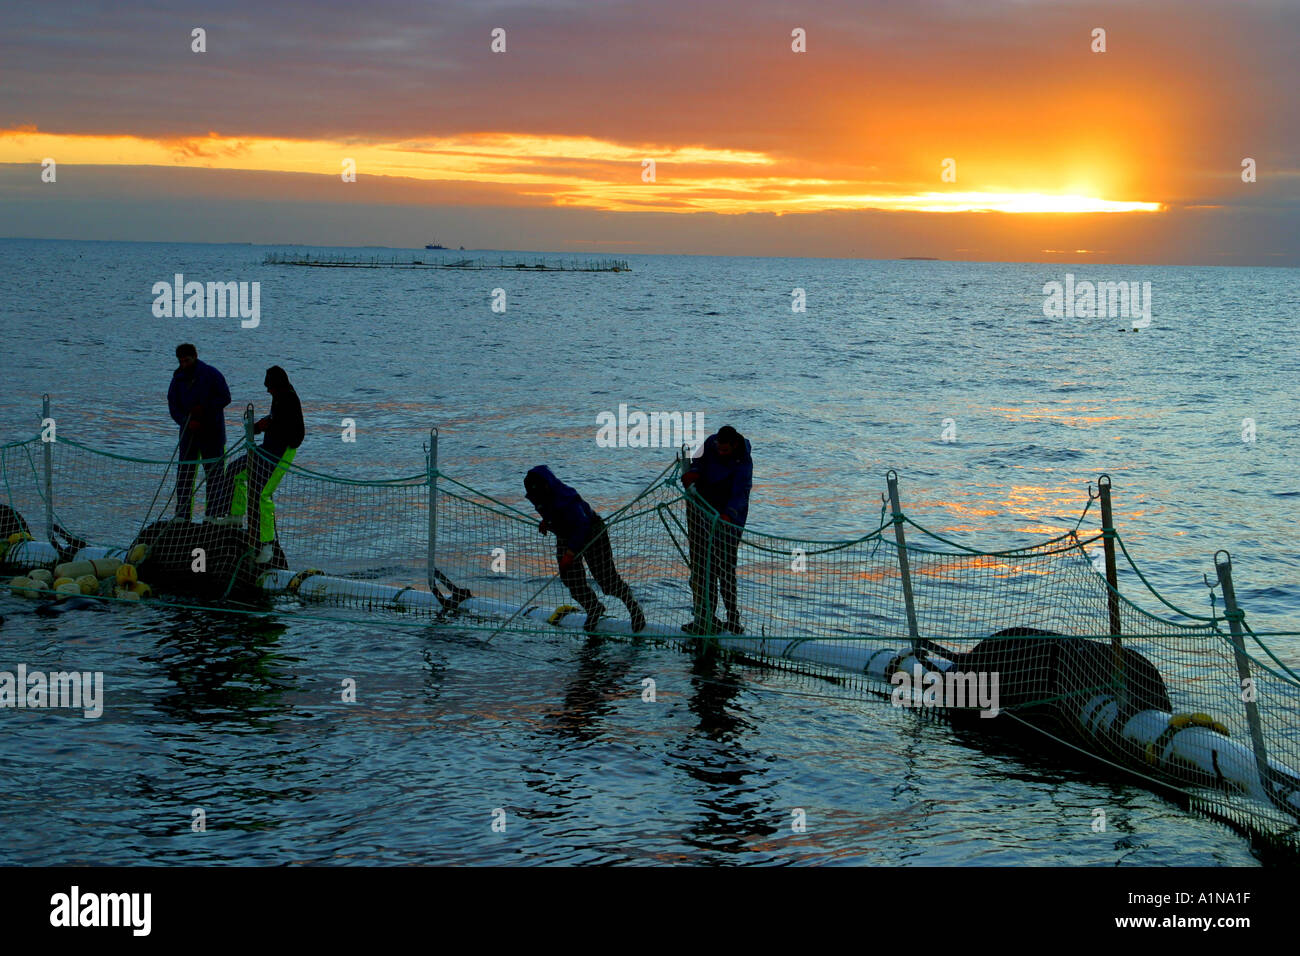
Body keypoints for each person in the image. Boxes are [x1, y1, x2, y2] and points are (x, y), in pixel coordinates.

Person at [524, 466, 646, 633]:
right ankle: (593, 607)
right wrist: (547, 520)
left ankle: (634, 608)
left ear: (547, 486)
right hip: (565, 534)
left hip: (591, 531)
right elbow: (550, 509)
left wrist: (570, 553)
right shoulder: (538, 493)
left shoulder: (566, 499)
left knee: (607, 580)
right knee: (570, 579)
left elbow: (582, 525)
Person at [223, 366, 305, 563]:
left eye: (270, 387)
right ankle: (235, 518)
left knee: (262, 494)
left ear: (278, 386)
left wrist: (269, 426)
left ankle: (267, 544)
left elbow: (295, 434)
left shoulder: (290, 399)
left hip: (282, 452)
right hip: (267, 448)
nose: (268, 391)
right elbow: (274, 420)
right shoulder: (278, 397)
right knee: (234, 471)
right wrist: (260, 427)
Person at [681, 424, 752, 635]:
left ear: (735, 445)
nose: (720, 453)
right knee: (702, 568)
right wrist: (693, 473)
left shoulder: (744, 462)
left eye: (725, 451)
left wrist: (728, 515)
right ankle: (704, 617)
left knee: (725, 570)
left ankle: (733, 620)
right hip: (702, 512)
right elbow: (698, 462)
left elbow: (741, 493)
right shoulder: (711, 442)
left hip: (728, 521)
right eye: (719, 449)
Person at [167, 343, 232, 522]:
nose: (184, 365)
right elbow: (173, 406)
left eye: (187, 360)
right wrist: (185, 422)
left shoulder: (211, 374)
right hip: (188, 434)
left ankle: (212, 516)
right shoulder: (177, 379)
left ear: (194, 357)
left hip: (213, 434)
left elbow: (225, 397)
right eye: (181, 361)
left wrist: (204, 410)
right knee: (185, 474)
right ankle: (182, 516)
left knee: (215, 475)